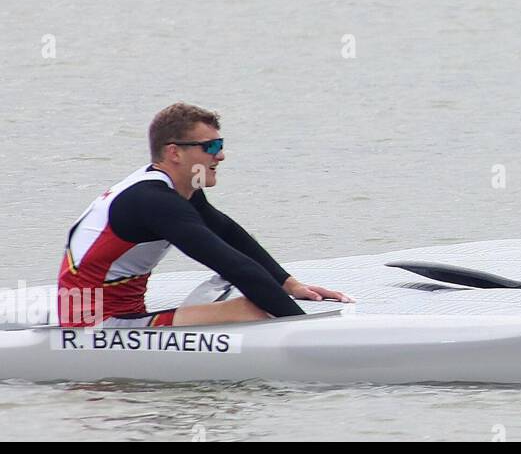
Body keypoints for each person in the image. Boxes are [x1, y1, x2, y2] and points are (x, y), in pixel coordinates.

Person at [58, 102, 352, 327]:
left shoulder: (172, 188)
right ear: (174, 153)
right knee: (248, 308)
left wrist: (290, 285)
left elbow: (228, 234)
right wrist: (307, 331)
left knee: (250, 290)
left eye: (221, 145)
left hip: (123, 313)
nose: (221, 155)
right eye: (211, 147)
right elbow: (233, 265)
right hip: (92, 328)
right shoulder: (154, 201)